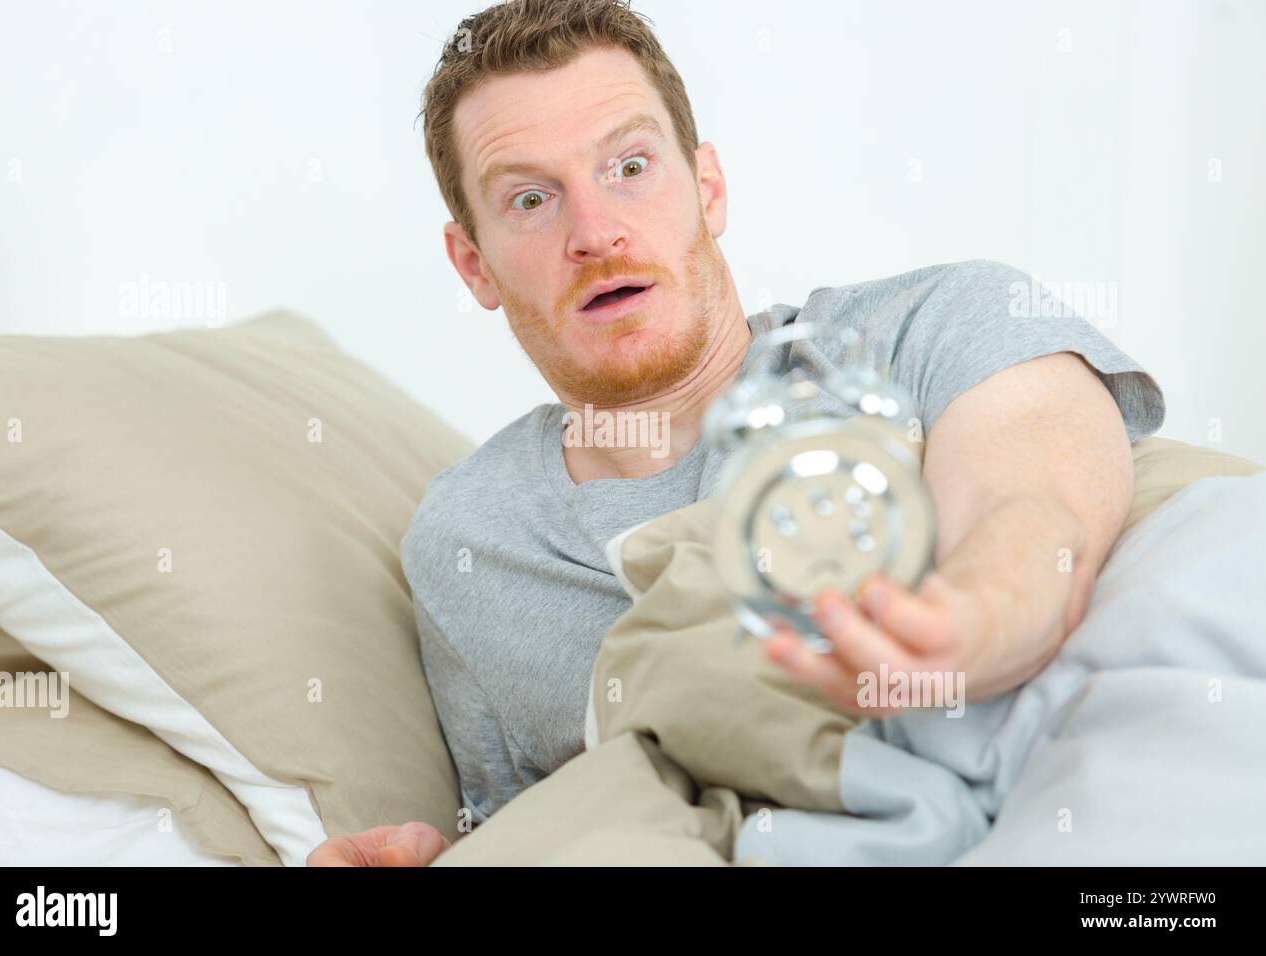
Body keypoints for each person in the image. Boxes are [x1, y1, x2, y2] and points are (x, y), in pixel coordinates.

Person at [307, 0, 1164, 866]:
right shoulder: (470, 545)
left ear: (707, 188)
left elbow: (1035, 512)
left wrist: (967, 625)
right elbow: (537, 822)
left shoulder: (928, 326)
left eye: (630, 166)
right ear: (474, 264)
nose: (596, 233)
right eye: (530, 199)